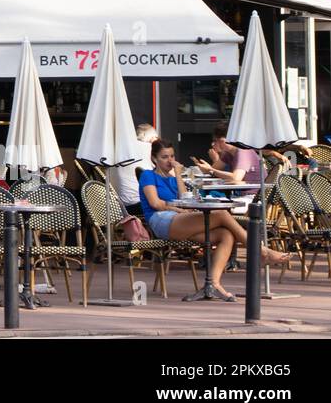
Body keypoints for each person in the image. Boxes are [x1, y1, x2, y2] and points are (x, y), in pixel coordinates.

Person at [139, 140, 288, 301]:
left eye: (172, 156)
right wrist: (178, 209)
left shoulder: (173, 178)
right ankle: (260, 250)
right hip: (161, 220)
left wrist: (178, 175)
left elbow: (184, 199)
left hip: (180, 220)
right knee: (221, 214)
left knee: (226, 235)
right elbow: (156, 203)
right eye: (164, 157)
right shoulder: (148, 175)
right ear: (154, 159)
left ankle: (214, 284)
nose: (170, 160)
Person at [111, 122, 158, 217]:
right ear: (152, 138)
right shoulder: (148, 148)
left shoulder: (116, 149)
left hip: (117, 205)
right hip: (136, 204)